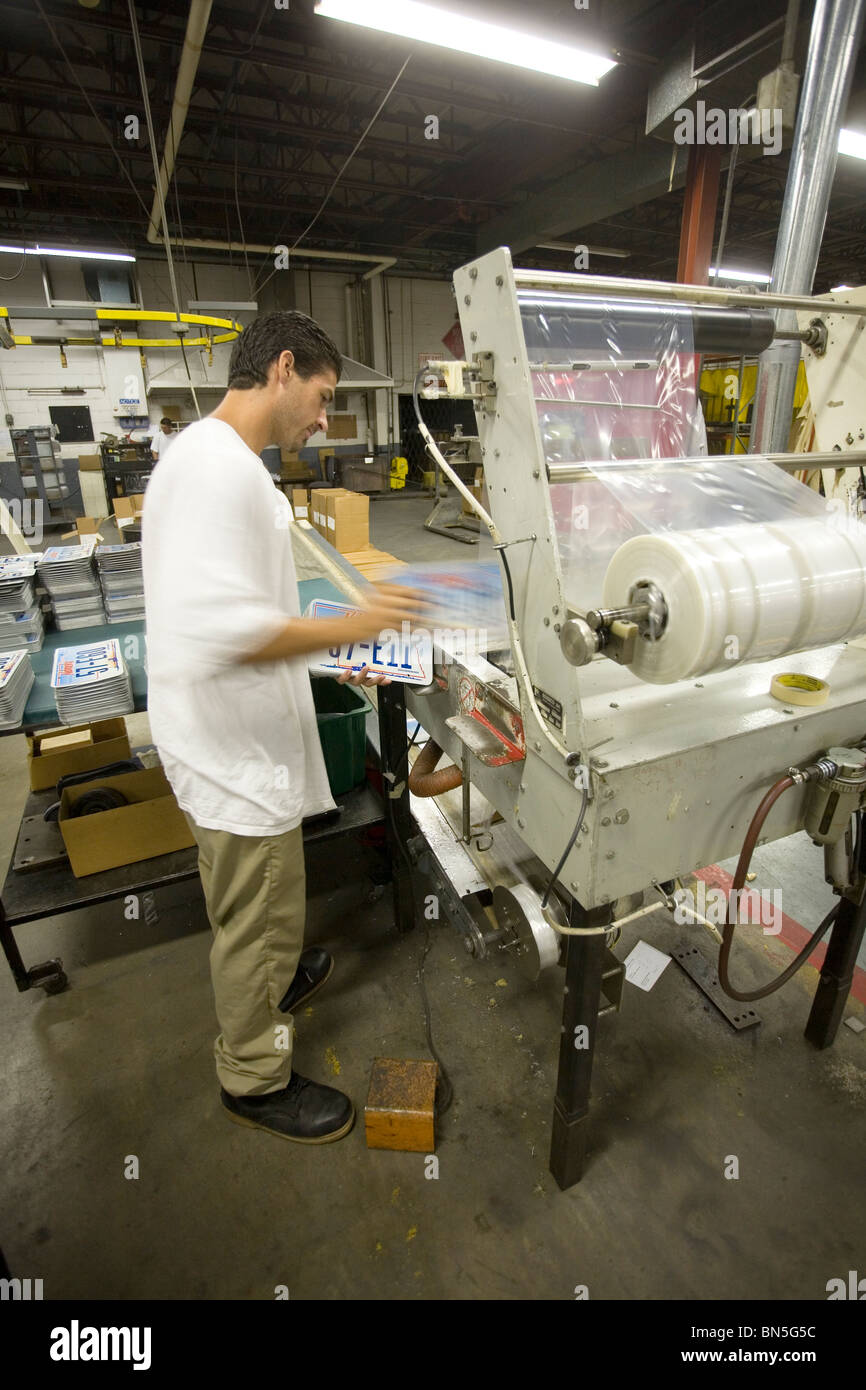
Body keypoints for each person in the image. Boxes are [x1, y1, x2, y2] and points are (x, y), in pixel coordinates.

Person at [142, 311, 425, 1144]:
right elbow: (222, 630)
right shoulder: (218, 472)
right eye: (324, 397)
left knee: (253, 904)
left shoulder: (208, 459)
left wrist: (336, 653)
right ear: (284, 367)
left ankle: (274, 969)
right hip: (233, 756)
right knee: (253, 917)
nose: (324, 420)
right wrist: (357, 625)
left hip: (222, 737)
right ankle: (254, 1076)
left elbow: (244, 613)